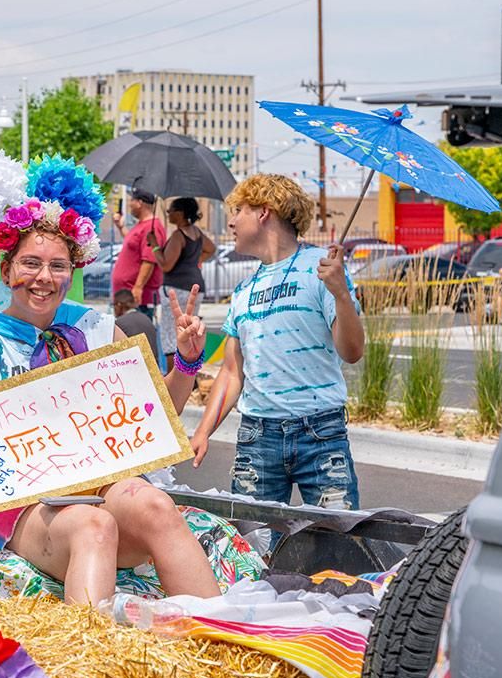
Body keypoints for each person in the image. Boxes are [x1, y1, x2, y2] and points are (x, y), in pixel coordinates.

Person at [0, 194, 220, 605]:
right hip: (20, 500)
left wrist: (186, 362)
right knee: (92, 526)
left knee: (155, 504)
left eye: (58, 266)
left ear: (70, 273)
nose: (44, 276)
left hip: (101, 479)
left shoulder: (97, 328)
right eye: (31, 263)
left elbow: (157, 416)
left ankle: (219, 639)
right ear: (7, 271)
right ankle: (93, 661)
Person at [191, 174, 364, 516]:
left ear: (264, 211)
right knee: (253, 547)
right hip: (258, 436)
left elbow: (352, 351)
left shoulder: (322, 271)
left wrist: (341, 293)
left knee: (337, 544)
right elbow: (231, 372)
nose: (230, 221)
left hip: (321, 430)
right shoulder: (243, 291)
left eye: (239, 209)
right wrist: (203, 431)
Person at [157, 197, 216, 370]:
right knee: (188, 331)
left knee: (170, 335)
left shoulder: (178, 235)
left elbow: (166, 264)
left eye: (171, 210)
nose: (168, 214)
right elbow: (211, 248)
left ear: (181, 213)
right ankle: (190, 375)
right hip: (195, 287)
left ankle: (172, 377)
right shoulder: (196, 233)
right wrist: (195, 262)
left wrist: (154, 247)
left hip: (176, 287)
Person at [111, 189, 165, 317]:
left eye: (132, 201)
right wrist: (120, 227)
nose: (130, 205)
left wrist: (138, 287)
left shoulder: (152, 227)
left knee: (135, 334)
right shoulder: (141, 225)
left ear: (139, 203)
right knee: (125, 335)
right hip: (126, 297)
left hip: (136, 299)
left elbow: (149, 260)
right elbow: (132, 243)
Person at [113, 288, 160, 361]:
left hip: (135, 368)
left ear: (119, 305)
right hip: (154, 367)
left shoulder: (119, 323)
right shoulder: (146, 319)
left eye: (114, 305)